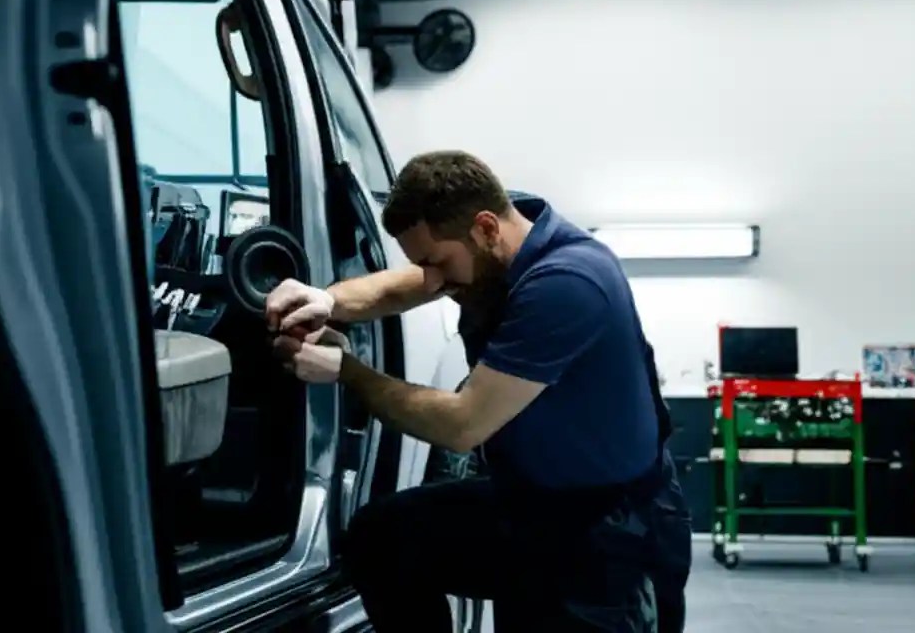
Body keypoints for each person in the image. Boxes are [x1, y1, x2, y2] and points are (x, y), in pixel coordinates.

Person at [266, 151, 691, 632]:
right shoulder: (505, 233)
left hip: (611, 532)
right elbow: (406, 285)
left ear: (488, 228)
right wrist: (328, 299)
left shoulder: (567, 283)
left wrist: (349, 371)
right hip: (533, 503)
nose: (431, 281)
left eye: (437, 262)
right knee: (385, 538)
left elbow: (461, 425)